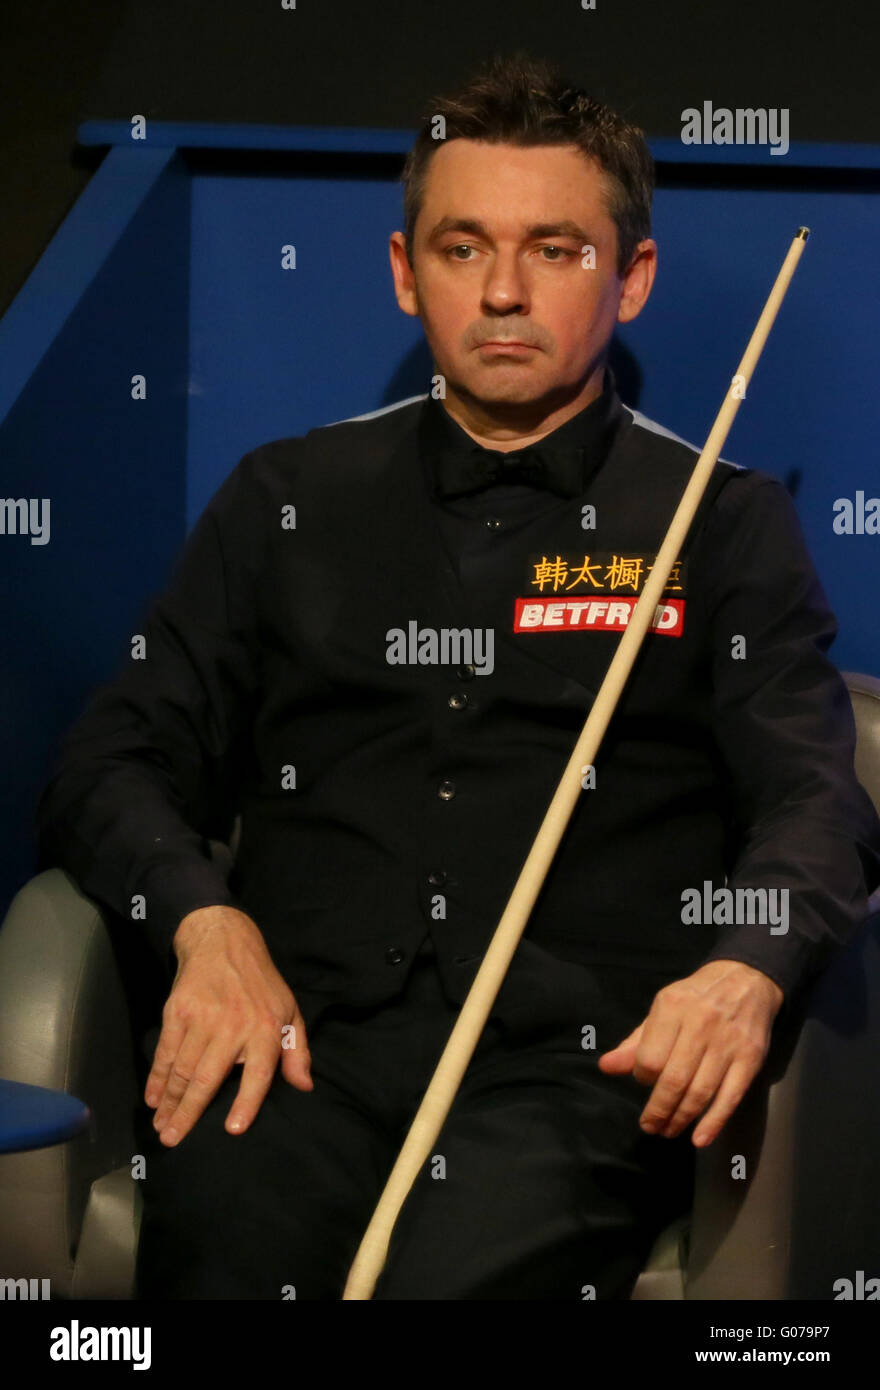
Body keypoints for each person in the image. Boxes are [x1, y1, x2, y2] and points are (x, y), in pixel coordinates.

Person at [35, 52, 880, 1300]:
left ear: (628, 278)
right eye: (461, 245)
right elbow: (112, 761)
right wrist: (204, 924)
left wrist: (744, 965)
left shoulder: (718, 523)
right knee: (222, 1258)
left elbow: (818, 800)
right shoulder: (287, 499)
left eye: (555, 250)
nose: (499, 291)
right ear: (401, 269)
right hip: (301, 1047)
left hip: (571, 1077)